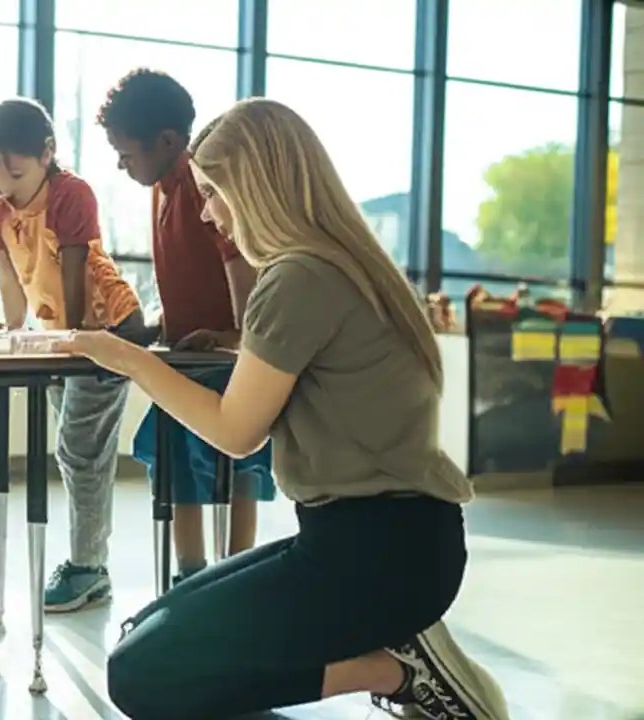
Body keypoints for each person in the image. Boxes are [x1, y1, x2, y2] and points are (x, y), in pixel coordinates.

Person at [63, 98, 509, 719]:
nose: (210, 214)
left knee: (140, 676)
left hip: (376, 556)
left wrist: (131, 358)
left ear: (259, 189)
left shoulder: (298, 278)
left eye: (214, 194)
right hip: (390, 542)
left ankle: (397, 672)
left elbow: (236, 432)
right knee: (146, 633)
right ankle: (402, 649)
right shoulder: (345, 266)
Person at [0, 97, 151, 613]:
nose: (4, 182)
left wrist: (76, 339)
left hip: (104, 328)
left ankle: (89, 567)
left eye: (16, 169)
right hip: (57, 336)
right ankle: (89, 561)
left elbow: (74, 270)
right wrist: (12, 332)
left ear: (46, 154)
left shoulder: (71, 194)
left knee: (80, 450)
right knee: (75, 451)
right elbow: (10, 274)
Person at [97, 69, 275, 577]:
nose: (121, 164)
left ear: (168, 141)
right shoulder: (160, 189)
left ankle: (237, 569)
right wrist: (157, 326)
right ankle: (189, 573)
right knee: (175, 462)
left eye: (127, 154)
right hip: (185, 356)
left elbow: (237, 259)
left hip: (225, 361)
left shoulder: (203, 184)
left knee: (238, 463)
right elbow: (183, 272)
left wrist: (238, 333)